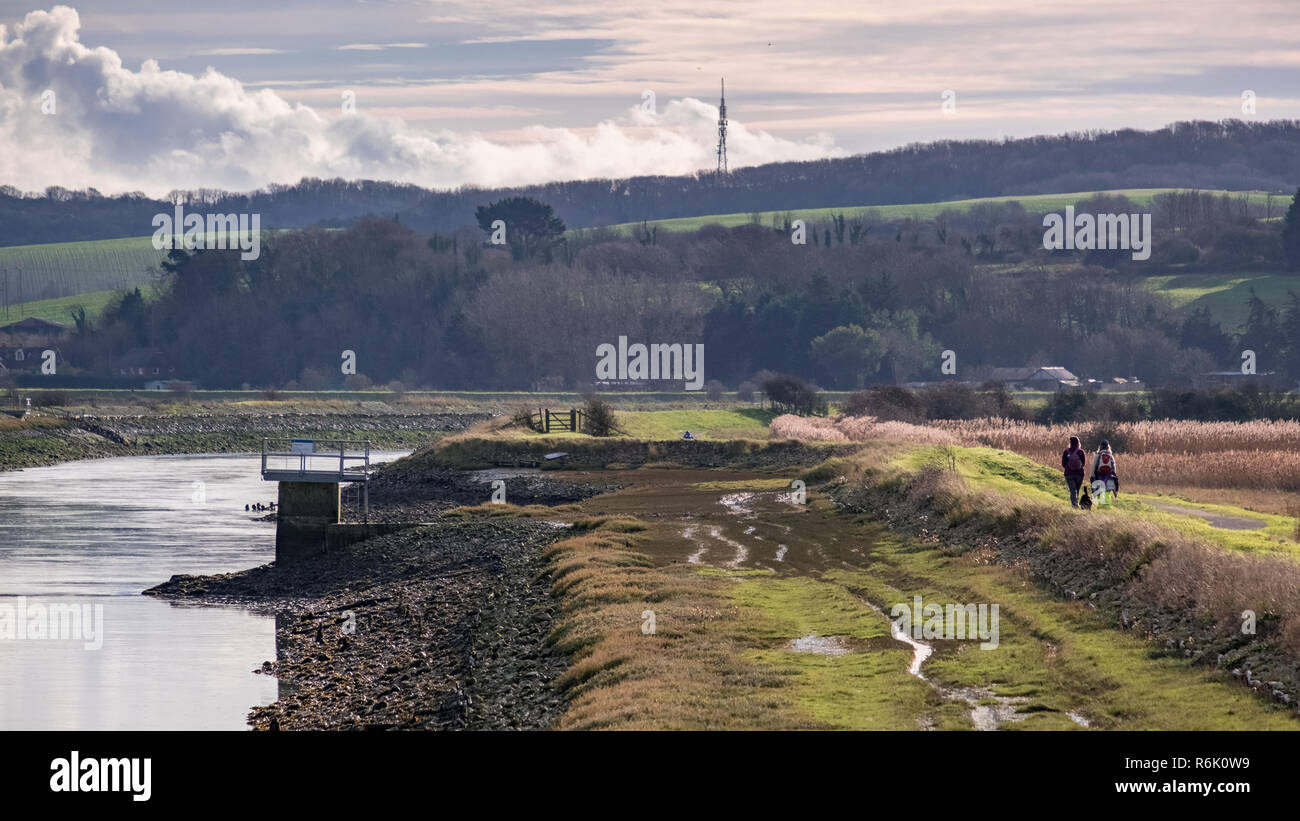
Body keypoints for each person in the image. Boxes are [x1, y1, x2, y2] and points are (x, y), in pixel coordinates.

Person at [1061, 435, 1087, 508]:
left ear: (1070, 443)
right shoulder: (1081, 452)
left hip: (1069, 474)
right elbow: (1084, 463)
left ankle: (1074, 506)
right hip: (1079, 474)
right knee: (1077, 490)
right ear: (1078, 443)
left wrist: (1069, 468)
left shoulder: (1066, 452)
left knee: (1073, 490)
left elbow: (1063, 464)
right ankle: (1076, 504)